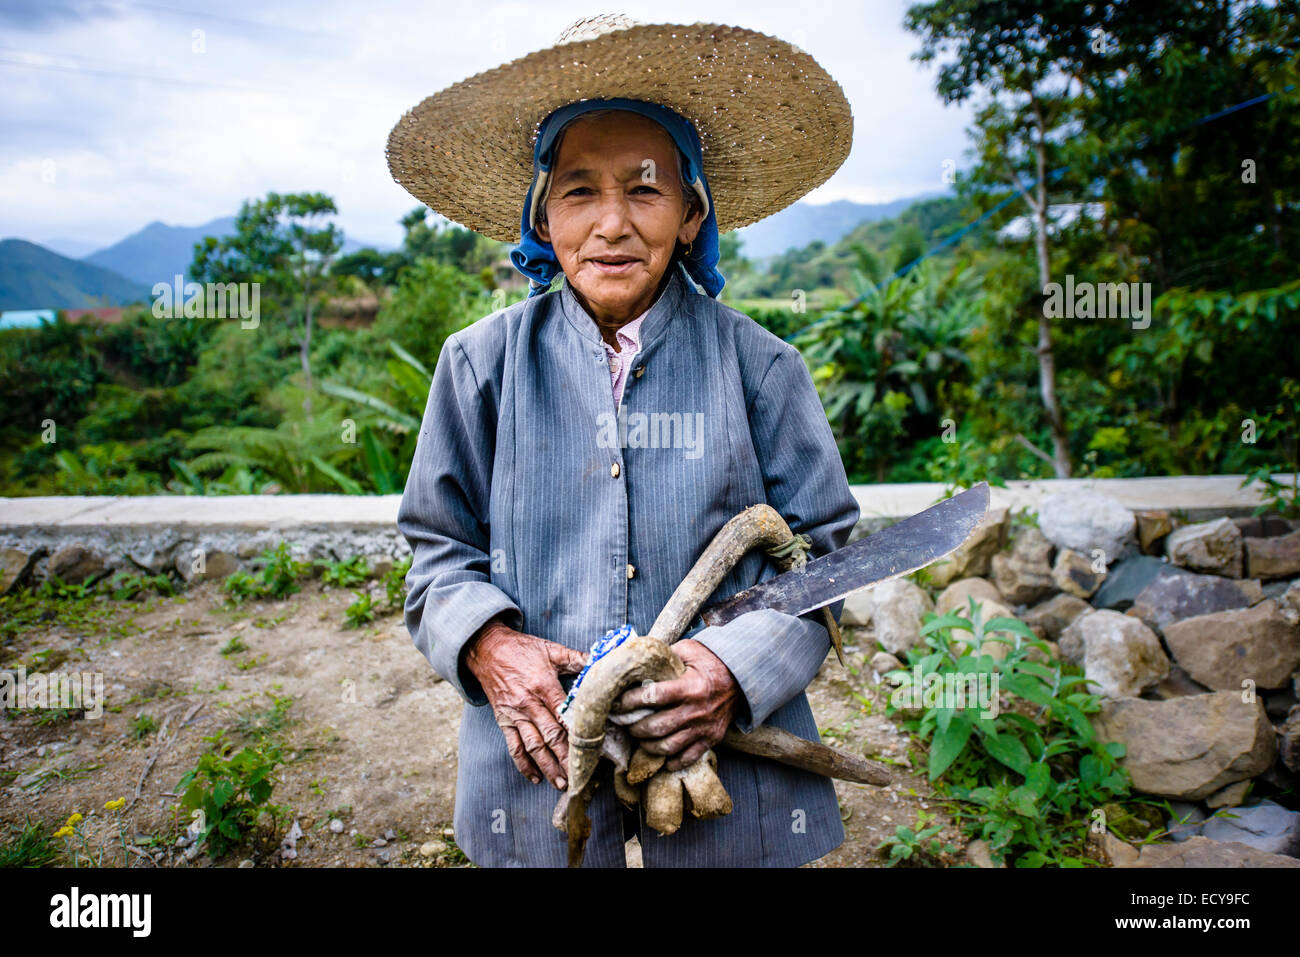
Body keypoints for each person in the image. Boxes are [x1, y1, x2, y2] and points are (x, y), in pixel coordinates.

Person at [388, 14, 859, 867]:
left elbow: (823, 556)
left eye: (645, 190)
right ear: (541, 215)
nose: (612, 223)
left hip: (728, 756)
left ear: (690, 214)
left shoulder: (763, 367)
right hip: (538, 753)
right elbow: (435, 549)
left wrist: (728, 670)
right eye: (578, 190)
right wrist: (491, 645)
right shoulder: (479, 365)